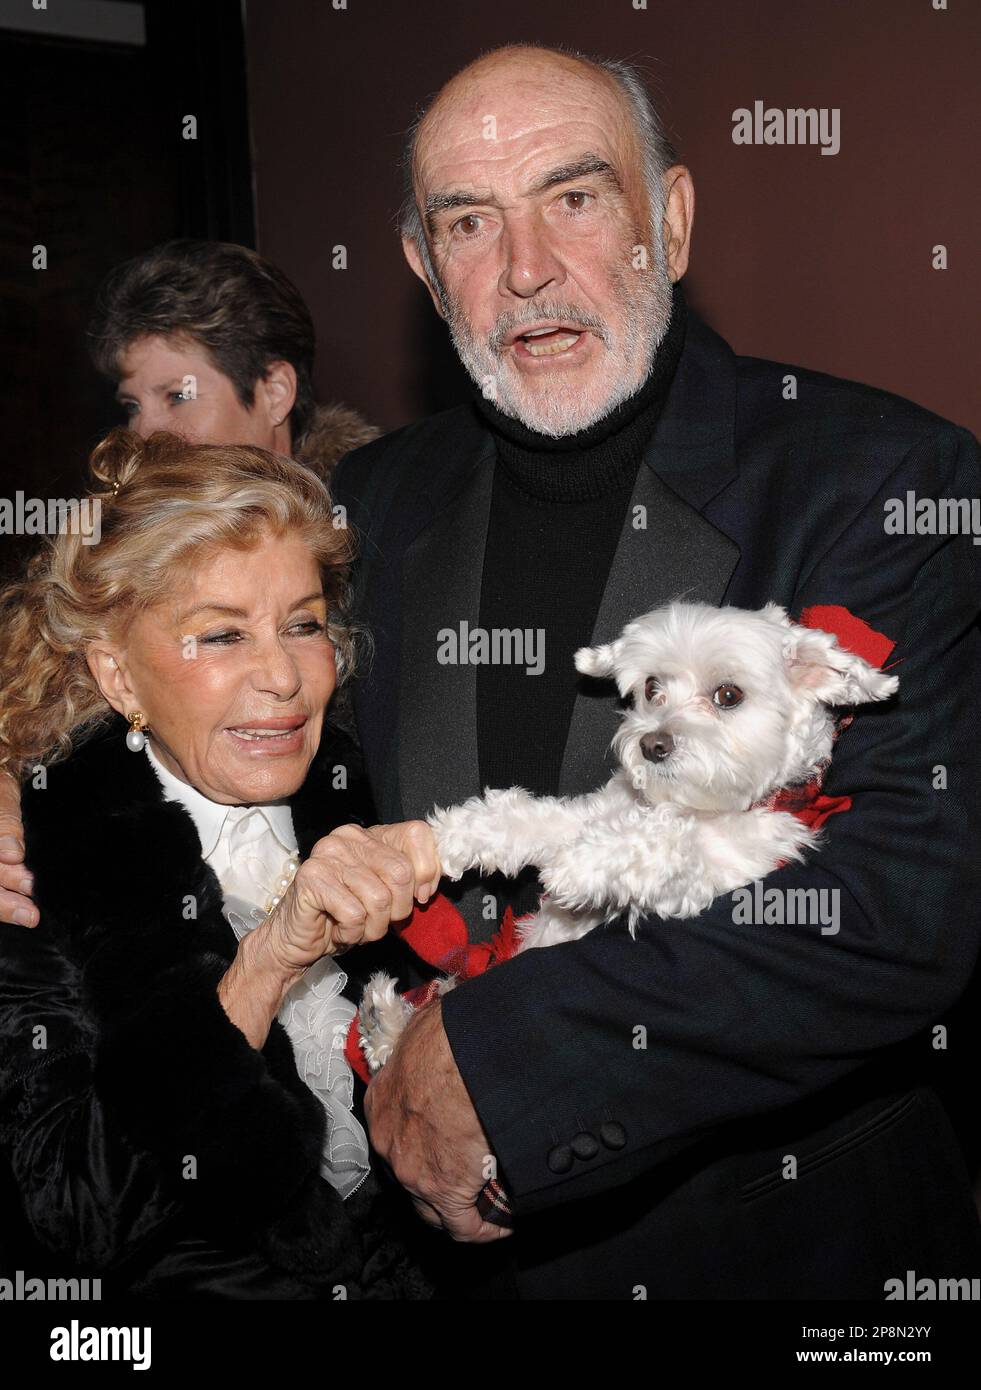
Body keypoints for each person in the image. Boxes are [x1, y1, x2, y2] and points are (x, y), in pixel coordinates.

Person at [330, 45, 981, 1295]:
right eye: (470, 221)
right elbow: (275, 761)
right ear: (423, 267)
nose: (526, 270)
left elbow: (900, 902)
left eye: (575, 198)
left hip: (780, 1258)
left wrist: (498, 1066)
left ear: (668, 223)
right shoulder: (370, 500)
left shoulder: (887, 478)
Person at [0, 428, 438, 1297]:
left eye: (302, 624)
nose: (281, 676)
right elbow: (82, 1209)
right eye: (221, 636)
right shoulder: (34, 866)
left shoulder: (378, 784)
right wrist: (268, 962)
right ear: (117, 676)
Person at [0, 238, 377, 929]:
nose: (148, 429)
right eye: (132, 404)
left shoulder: (384, 539)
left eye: (178, 395)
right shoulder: (107, 553)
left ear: (274, 391)